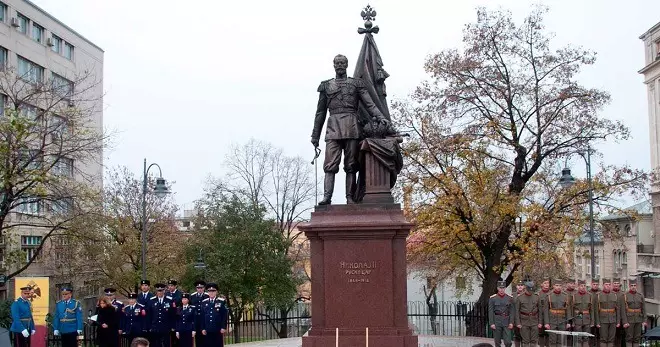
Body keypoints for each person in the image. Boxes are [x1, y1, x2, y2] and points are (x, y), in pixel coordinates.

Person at [310, 54, 389, 205]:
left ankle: (350, 197)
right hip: (333, 128)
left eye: (342, 63)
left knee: (351, 165)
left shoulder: (356, 84)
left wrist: (381, 117)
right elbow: (320, 113)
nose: (340, 65)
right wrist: (315, 135)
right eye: (337, 63)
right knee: (329, 165)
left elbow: (370, 104)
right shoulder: (326, 86)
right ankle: (327, 197)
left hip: (352, 127)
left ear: (346, 65)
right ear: (334, 65)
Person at [544, 278, 572, 347]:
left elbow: (568, 310)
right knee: (552, 341)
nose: (558, 287)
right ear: (553, 286)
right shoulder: (549, 296)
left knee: (561, 341)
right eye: (556, 285)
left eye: (560, 285)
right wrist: (546, 323)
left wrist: (568, 322)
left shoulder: (565, 296)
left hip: (562, 320)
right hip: (552, 321)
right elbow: (545, 310)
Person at [514, 281, 540, 347]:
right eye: (529, 290)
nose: (530, 292)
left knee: (534, 340)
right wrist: (518, 323)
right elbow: (516, 311)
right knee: (525, 341)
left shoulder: (536, 297)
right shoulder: (520, 298)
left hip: (534, 321)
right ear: (526, 289)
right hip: (524, 321)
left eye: (531, 290)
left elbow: (540, 311)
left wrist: (540, 322)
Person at [621, 278, 646, 347]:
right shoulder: (625, 295)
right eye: (631, 285)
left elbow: (644, 309)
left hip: (638, 319)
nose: (633, 287)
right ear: (629, 286)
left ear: (636, 286)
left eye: (634, 285)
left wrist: (644, 320)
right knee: (629, 338)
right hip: (629, 320)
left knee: (637, 338)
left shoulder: (640, 295)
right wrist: (625, 322)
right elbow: (623, 310)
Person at [595, 278, 620, 347]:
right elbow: (596, 310)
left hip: (613, 319)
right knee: (603, 338)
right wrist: (597, 322)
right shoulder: (599, 295)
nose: (608, 286)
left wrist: (618, 322)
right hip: (602, 320)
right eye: (606, 284)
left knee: (611, 338)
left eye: (609, 284)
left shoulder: (614, 295)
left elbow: (617, 309)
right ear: (603, 285)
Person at [489, 281, 514, 347]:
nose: (501, 289)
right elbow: (490, 311)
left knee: (508, 342)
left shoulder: (510, 298)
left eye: (503, 288)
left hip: (506, 321)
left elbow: (512, 311)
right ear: (497, 288)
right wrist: (492, 323)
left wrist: (511, 322)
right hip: (497, 321)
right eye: (500, 288)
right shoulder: (493, 298)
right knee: (497, 342)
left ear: (505, 288)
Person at [572, 279, 594, 347]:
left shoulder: (589, 295)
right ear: (578, 286)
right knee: (578, 337)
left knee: (586, 337)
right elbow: (571, 309)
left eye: (584, 285)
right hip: (577, 319)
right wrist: (573, 321)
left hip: (587, 319)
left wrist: (592, 321)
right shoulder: (574, 296)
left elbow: (592, 310)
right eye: (581, 285)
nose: (583, 287)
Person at [189, 281, 208, 347]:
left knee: (206, 338)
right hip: (196, 320)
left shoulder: (207, 296)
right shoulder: (192, 296)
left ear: (204, 288)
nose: (199, 289)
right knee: (198, 339)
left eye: (201, 288)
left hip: (205, 320)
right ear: (196, 288)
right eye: (198, 288)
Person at [538, 277, 551, 347]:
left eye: (547, 283)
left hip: (550, 317)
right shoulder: (538, 294)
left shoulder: (551, 293)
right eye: (545, 283)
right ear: (541, 284)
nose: (546, 285)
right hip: (541, 318)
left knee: (549, 335)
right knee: (541, 335)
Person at [513, 280, 525, 347]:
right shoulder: (513, 295)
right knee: (517, 335)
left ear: (524, 286)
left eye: (521, 285)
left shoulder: (527, 294)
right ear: (516, 286)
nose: (520, 286)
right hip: (515, 318)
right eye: (519, 285)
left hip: (524, 318)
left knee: (524, 335)